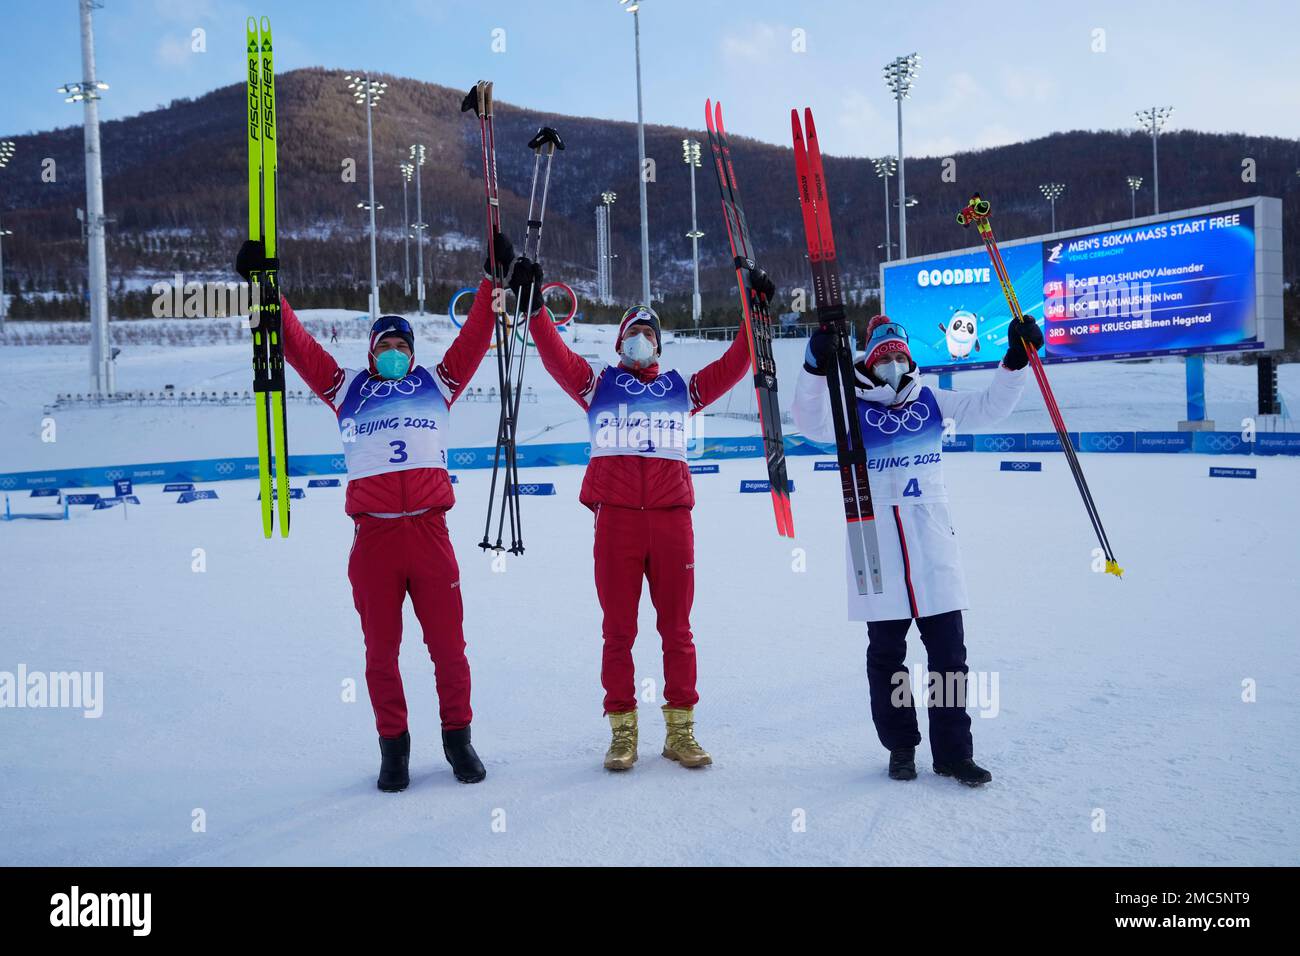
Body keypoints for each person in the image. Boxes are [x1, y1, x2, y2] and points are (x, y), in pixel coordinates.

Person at [235, 233, 538, 792]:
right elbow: (298, 346)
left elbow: (475, 339)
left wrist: (492, 282)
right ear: (371, 352)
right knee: (381, 653)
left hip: (430, 533)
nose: (394, 350)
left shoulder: (435, 384)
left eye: (403, 343)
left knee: (449, 649)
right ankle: (393, 749)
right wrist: (267, 293)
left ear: (412, 352)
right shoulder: (346, 388)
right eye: (386, 344)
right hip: (374, 540)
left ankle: (458, 740)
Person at [523, 258, 775, 771]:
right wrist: (534, 310)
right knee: (618, 631)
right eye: (633, 333)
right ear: (619, 343)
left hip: (670, 521)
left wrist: (756, 312)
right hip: (616, 521)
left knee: (677, 629)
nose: (641, 340)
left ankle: (681, 732)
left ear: (659, 344)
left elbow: (735, 363)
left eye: (648, 333)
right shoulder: (597, 385)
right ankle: (622, 733)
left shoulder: (680, 388)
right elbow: (554, 355)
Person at [792, 313, 1043, 787]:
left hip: (932, 542)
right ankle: (901, 748)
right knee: (887, 656)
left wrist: (1014, 361)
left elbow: (988, 408)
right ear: (868, 357)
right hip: (874, 545)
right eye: (882, 352)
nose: (892, 359)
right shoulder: (849, 405)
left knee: (949, 655)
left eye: (899, 352)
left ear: (909, 357)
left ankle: (953, 753)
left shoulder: (931, 399)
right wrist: (814, 366)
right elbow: (809, 422)